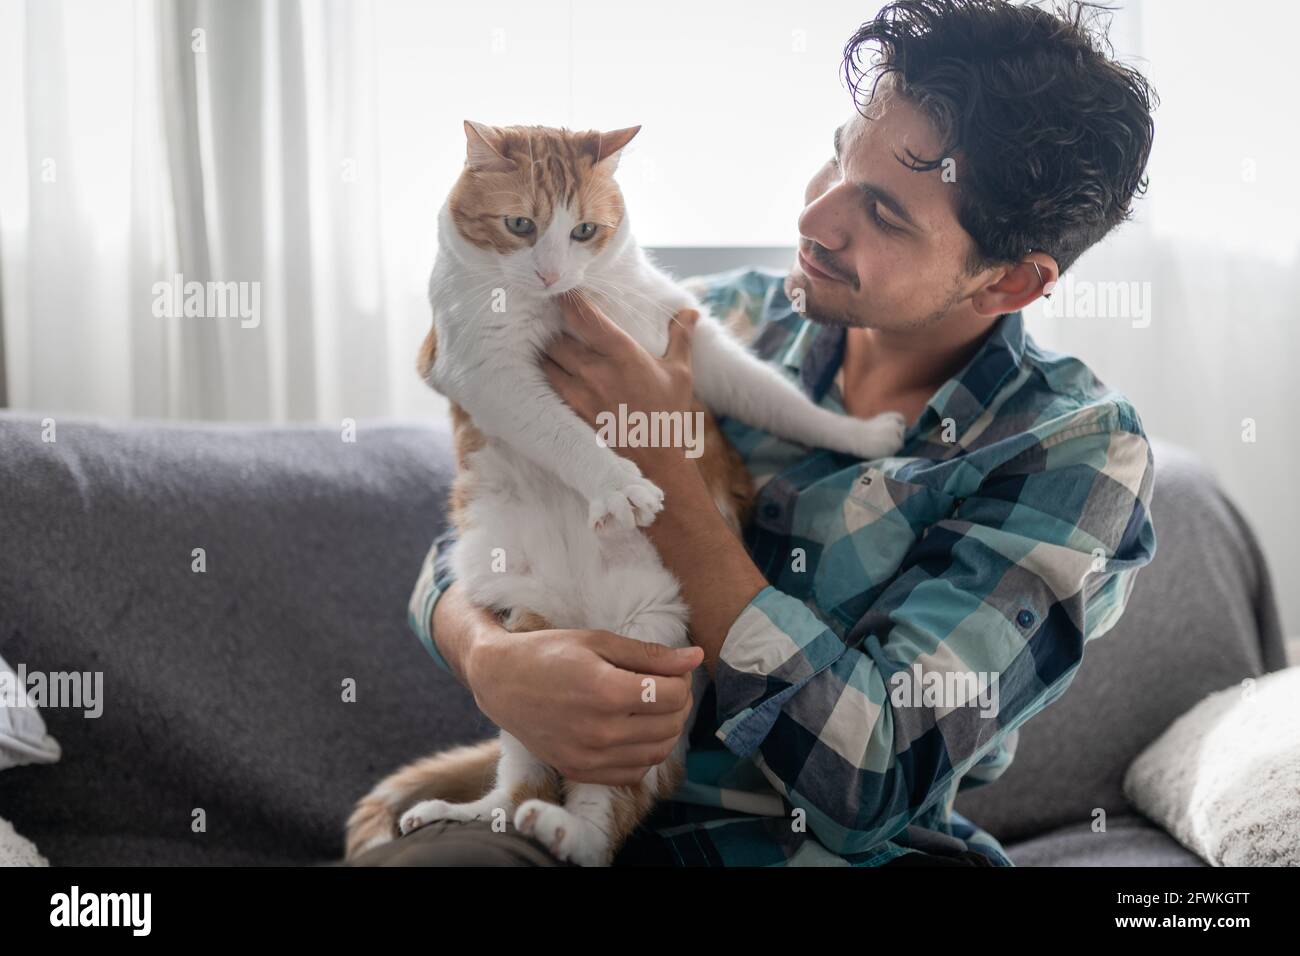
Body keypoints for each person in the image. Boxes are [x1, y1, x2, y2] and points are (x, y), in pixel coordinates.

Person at [349, 0, 1158, 867]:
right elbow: (479, 519)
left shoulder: (1071, 451)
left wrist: (664, 474)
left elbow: (870, 780)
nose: (815, 219)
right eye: (837, 156)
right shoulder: (721, 315)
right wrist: (486, 659)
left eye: (884, 215)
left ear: (1007, 284)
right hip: (571, 820)